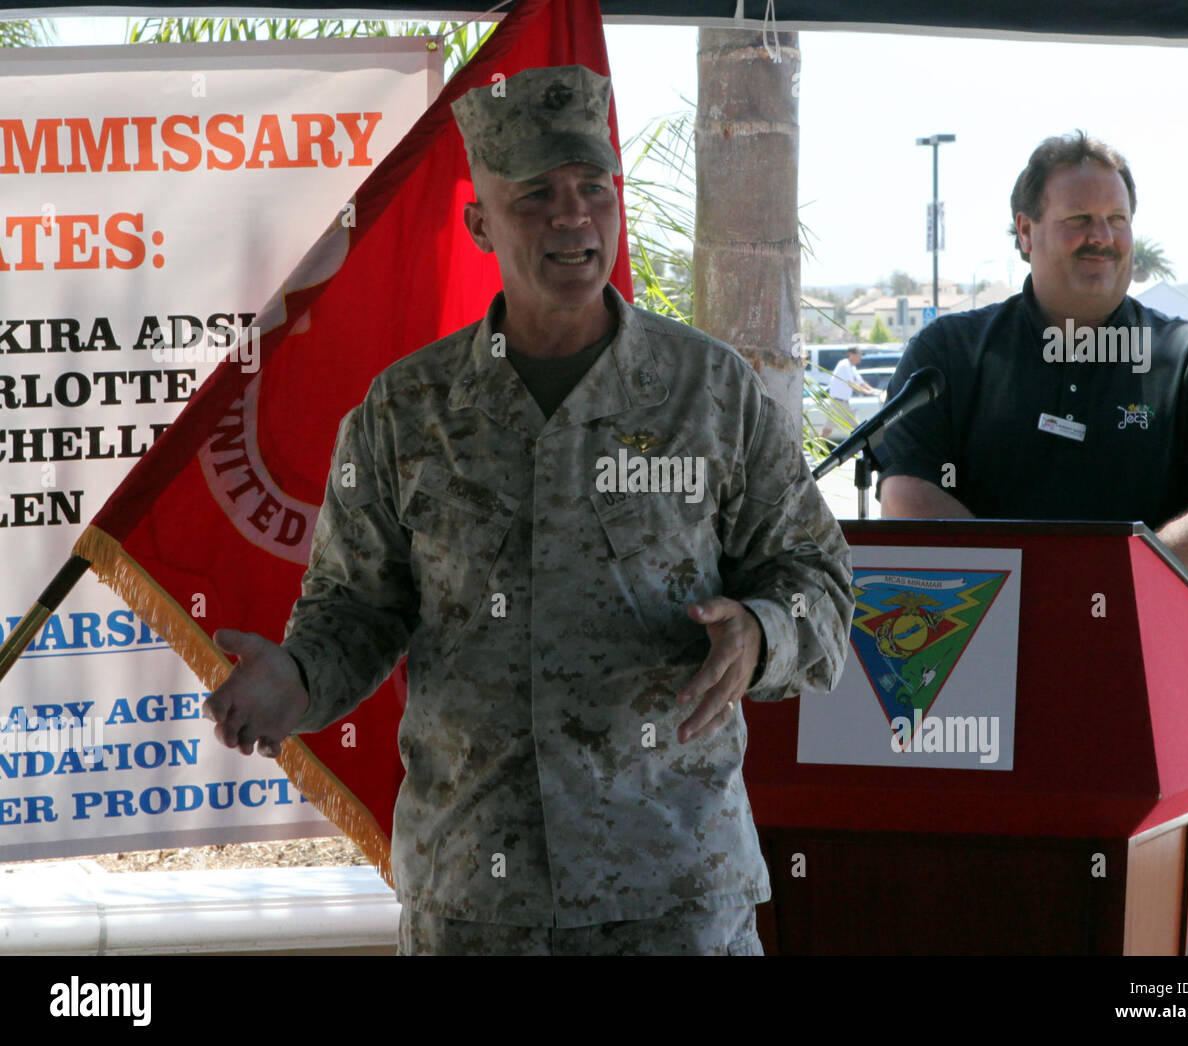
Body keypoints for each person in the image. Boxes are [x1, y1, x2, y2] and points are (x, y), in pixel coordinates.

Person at [201, 65, 854, 956]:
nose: (572, 216)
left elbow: (819, 581)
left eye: (593, 188)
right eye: (536, 194)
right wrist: (300, 679)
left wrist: (761, 633)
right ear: (479, 222)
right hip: (476, 898)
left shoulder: (710, 394)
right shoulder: (405, 412)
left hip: (671, 892)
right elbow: (355, 609)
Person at [877, 130, 1188, 956]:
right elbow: (908, 494)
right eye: (1079, 217)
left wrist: (1093, 608)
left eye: (1117, 219)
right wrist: (1034, 611)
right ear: (1025, 230)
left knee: (1150, 939)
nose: (1103, 236)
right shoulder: (951, 352)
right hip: (980, 695)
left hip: (1153, 703)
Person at [820, 346, 883, 438]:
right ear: (851, 355)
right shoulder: (844, 365)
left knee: (855, 428)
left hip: (843, 403)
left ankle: (861, 449)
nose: (860, 357)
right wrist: (865, 392)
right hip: (838, 403)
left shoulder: (851, 367)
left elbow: (860, 381)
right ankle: (816, 448)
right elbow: (850, 383)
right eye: (859, 355)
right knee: (830, 429)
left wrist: (872, 390)